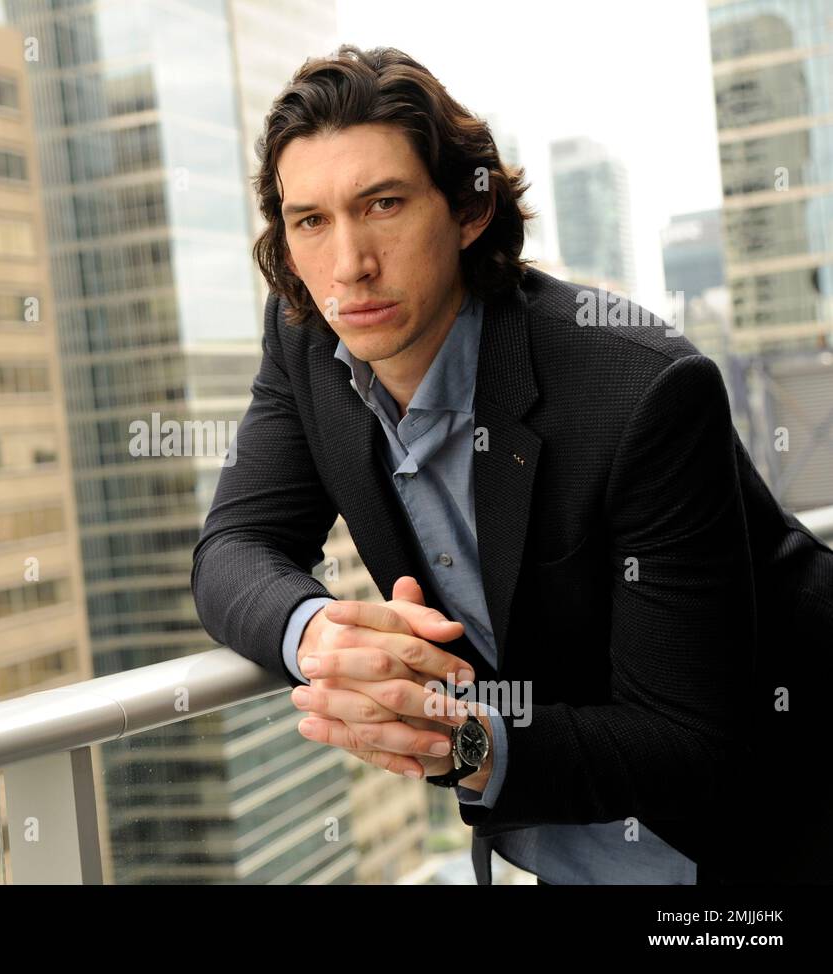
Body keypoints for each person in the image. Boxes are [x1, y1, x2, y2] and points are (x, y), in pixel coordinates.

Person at [190, 44, 833, 885]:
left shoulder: (644, 392)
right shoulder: (308, 341)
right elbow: (233, 545)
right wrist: (322, 636)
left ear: (468, 210)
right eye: (310, 220)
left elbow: (688, 742)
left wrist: (444, 736)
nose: (348, 266)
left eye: (381, 204)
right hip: (541, 849)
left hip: (752, 840)